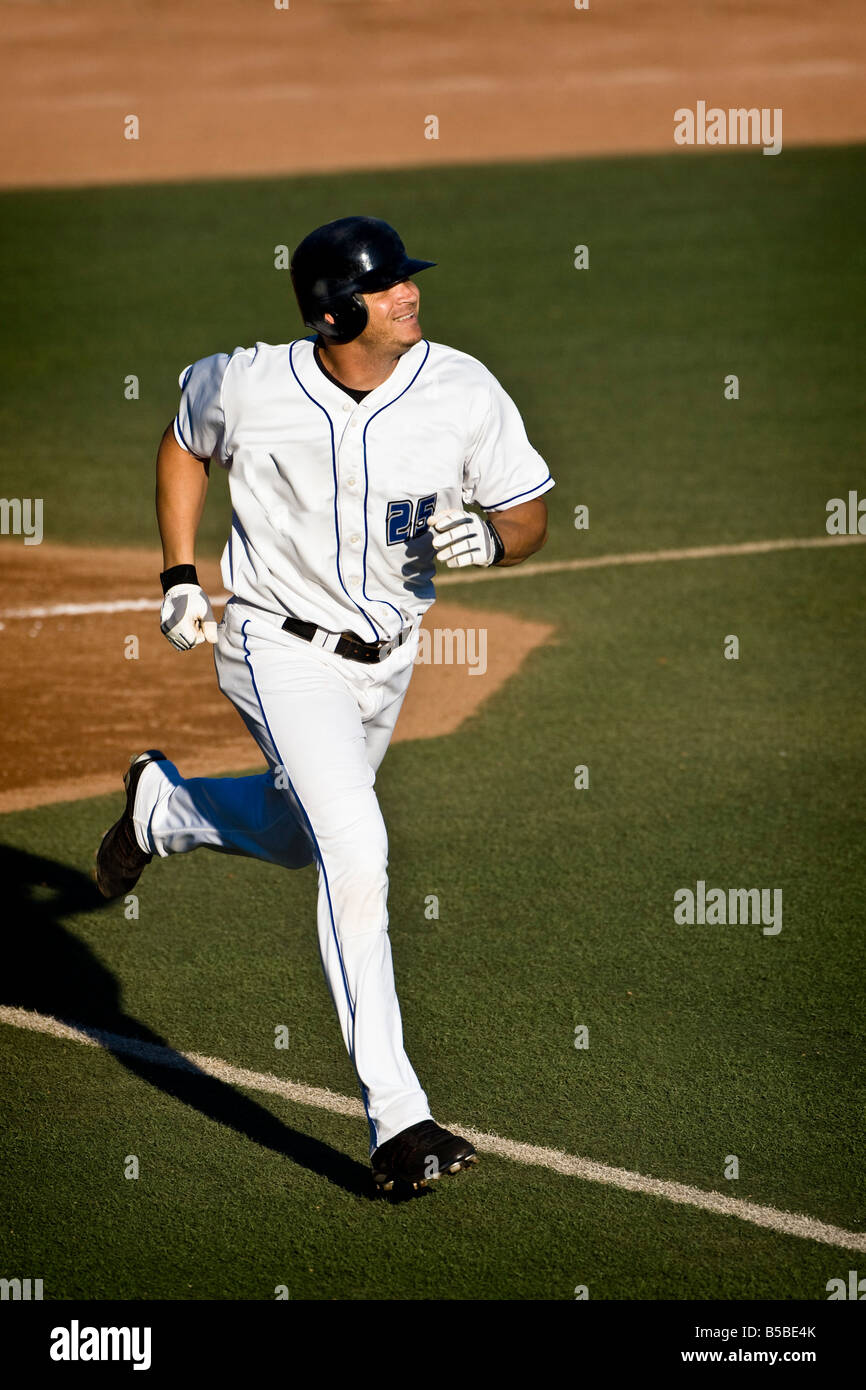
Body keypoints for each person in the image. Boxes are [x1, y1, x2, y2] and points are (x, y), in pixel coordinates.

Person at [96, 216, 554, 1192]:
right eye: (388, 286)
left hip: (386, 662)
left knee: (305, 833)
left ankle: (166, 811)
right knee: (355, 845)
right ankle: (399, 1121)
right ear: (336, 310)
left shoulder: (461, 388)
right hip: (273, 644)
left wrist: (495, 540)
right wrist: (179, 572)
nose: (410, 295)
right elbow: (184, 442)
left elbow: (528, 513)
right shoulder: (251, 382)